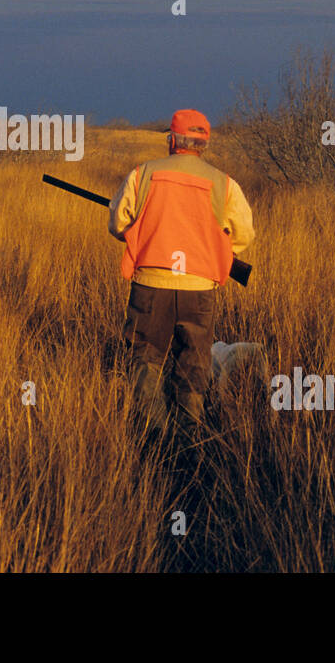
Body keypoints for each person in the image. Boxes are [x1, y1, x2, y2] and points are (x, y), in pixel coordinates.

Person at [108, 109, 254, 431]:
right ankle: (189, 440)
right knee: (194, 364)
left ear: (172, 139)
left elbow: (118, 222)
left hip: (150, 287)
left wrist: (140, 231)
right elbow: (244, 235)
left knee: (145, 359)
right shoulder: (224, 183)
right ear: (203, 143)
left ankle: (153, 439)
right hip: (199, 291)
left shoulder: (142, 174)